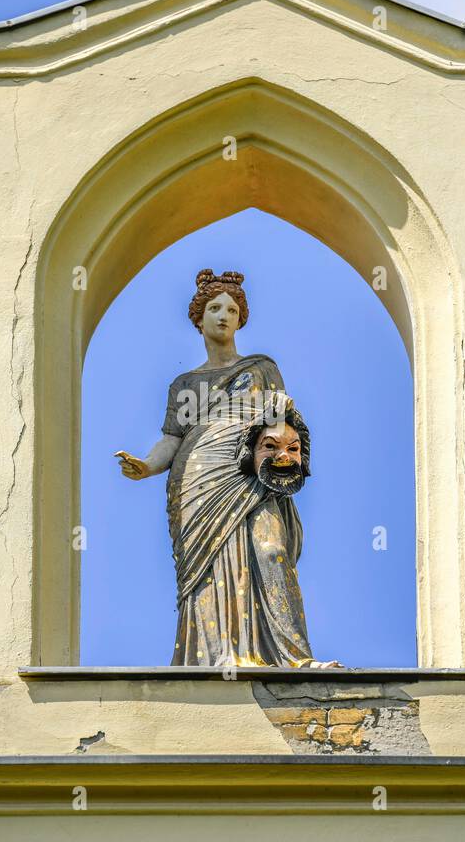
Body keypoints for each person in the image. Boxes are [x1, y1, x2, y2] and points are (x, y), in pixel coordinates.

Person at [115, 269, 338, 668]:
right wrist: (147, 466)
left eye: (232, 310)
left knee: (271, 551)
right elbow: (172, 438)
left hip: (250, 475)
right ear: (198, 319)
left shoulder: (261, 369)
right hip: (197, 482)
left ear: (241, 319)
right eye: (214, 309)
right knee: (213, 566)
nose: (223, 316)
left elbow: (282, 420)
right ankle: (219, 656)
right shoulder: (183, 383)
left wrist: (284, 444)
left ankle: (294, 658)